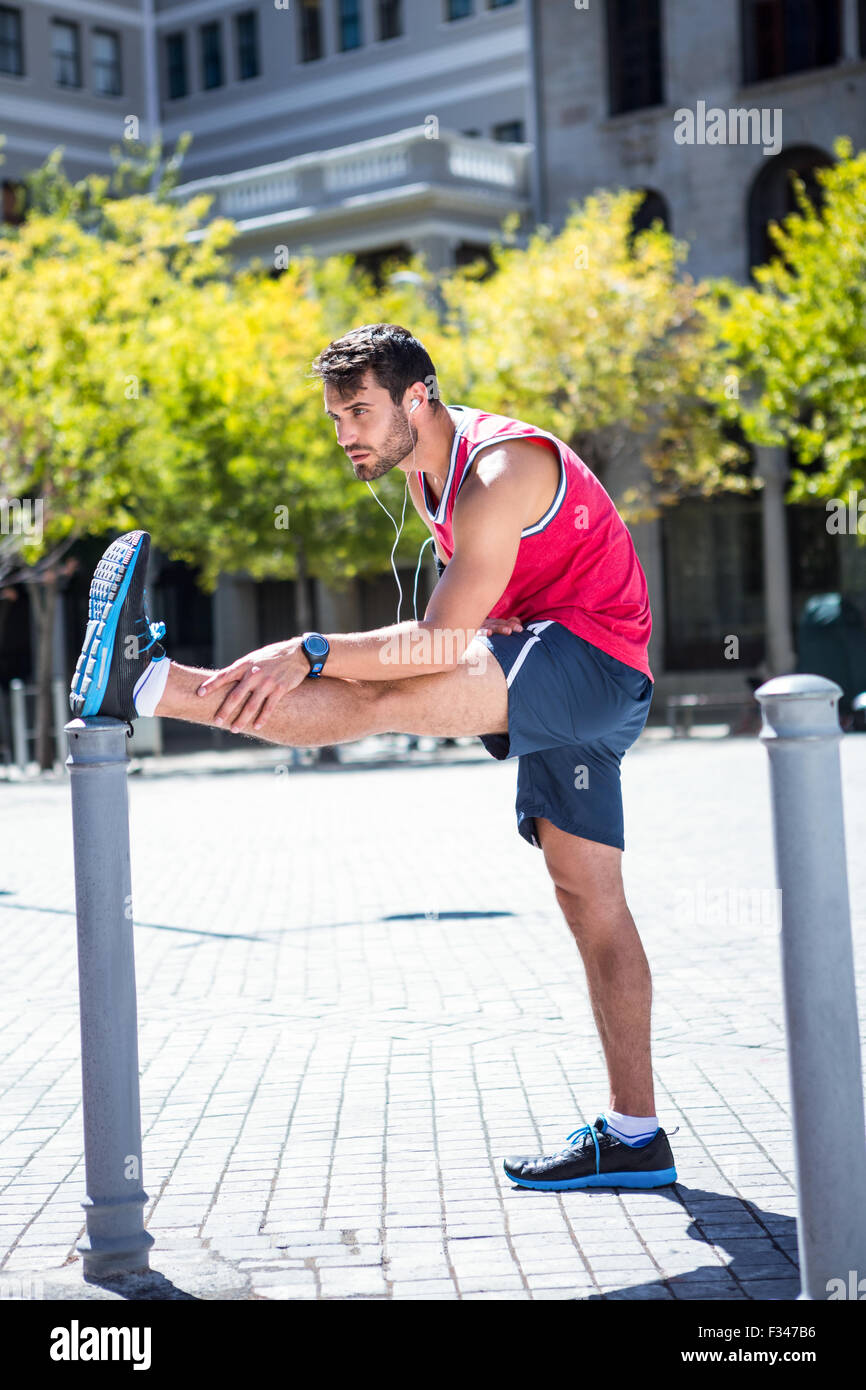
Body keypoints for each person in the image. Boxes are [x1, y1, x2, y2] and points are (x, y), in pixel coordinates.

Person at [69, 323, 676, 1192]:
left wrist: (311, 647)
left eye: (359, 410)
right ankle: (637, 1134)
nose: (346, 433)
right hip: (562, 666)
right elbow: (478, 611)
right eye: (335, 416)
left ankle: (153, 684)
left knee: (377, 695)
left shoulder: (497, 469)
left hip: (593, 666)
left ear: (416, 398)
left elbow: (431, 647)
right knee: (593, 901)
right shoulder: (430, 475)